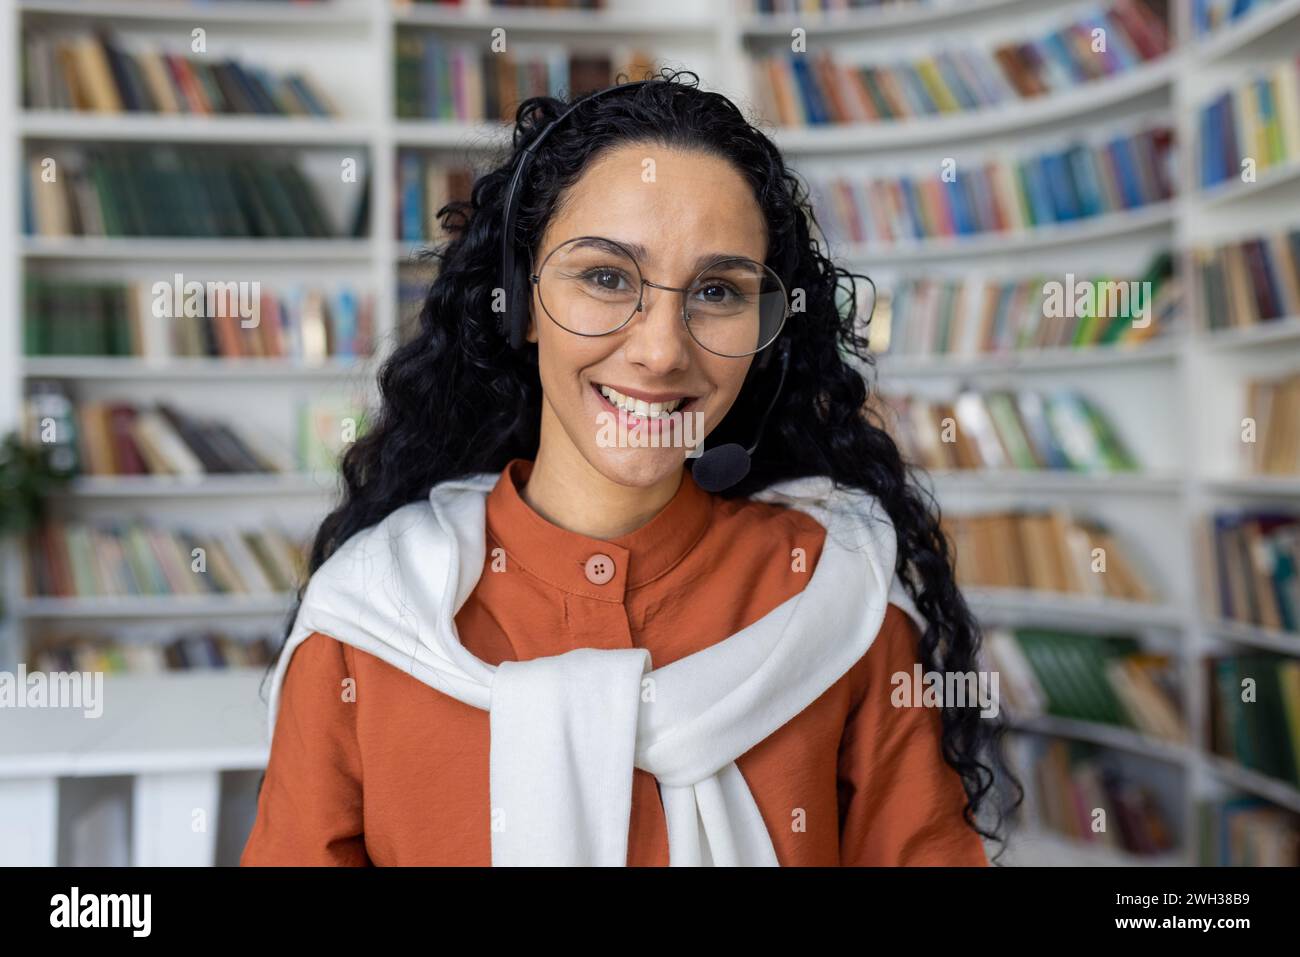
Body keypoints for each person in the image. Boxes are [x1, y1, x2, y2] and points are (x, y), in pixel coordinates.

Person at [241, 69, 1017, 867]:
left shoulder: (839, 596)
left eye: (718, 289)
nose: (661, 350)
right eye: (606, 277)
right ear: (522, 297)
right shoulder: (369, 617)